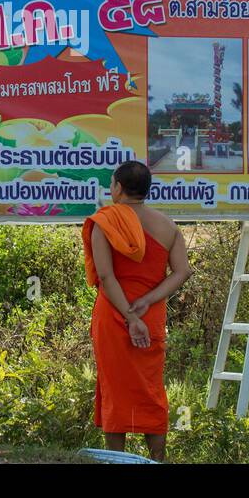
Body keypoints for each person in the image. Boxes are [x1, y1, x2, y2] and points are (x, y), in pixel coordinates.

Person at [81, 160, 191, 461]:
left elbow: (106, 277)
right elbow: (182, 271)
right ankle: (157, 458)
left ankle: (117, 459)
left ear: (117, 188)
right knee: (149, 386)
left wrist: (129, 316)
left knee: (115, 388)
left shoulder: (105, 221)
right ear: (146, 190)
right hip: (150, 314)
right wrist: (148, 301)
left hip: (115, 314)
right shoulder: (168, 227)